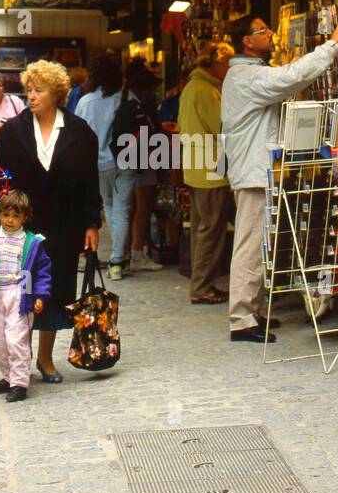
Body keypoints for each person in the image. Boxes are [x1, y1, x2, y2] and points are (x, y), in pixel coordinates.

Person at [222, 14, 338, 342]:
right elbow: (291, 77)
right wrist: (330, 47)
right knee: (250, 245)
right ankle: (241, 319)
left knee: (260, 244)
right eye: (263, 31)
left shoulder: (250, 74)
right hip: (253, 172)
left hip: (257, 168)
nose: (270, 34)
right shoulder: (247, 77)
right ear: (247, 42)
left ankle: (253, 311)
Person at [0, 60, 101, 382]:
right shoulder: (13, 130)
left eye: (39, 90)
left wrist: (91, 223)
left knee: (54, 291)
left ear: (57, 93)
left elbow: (89, 182)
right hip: (21, 227)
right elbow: (0, 182)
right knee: (19, 294)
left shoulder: (80, 132)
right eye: (29, 89)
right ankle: (16, 364)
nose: (32, 96)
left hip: (64, 226)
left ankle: (45, 359)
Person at [0, 189, 53, 402]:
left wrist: (39, 296)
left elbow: (41, 271)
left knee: (16, 340)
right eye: (6, 215)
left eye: (15, 216)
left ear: (25, 217)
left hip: (19, 294)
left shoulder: (32, 242)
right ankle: (8, 376)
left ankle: (20, 383)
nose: (10, 220)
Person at [178, 42, 233, 306]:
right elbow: (222, 126)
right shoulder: (206, 90)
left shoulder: (191, 87)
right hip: (211, 168)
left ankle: (201, 283)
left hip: (196, 167)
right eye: (228, 64)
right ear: (217, 63)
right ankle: (202, 287)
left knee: (203, 229)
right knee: (211, 230)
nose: (230, 69)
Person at [76, 55, 131, 280]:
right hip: (124, 160)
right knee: (122, 210)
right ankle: (117, 260)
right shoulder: (122, 99)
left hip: (97, 163)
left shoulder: (85, 102)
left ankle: (116, 260)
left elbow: (77, 133)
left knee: (108, 206)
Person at [111, 58, 167, 274]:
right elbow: (157, 129)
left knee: (127, 208)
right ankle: (136, 253)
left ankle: (125, 252)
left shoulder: (122, 97)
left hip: (123, 157)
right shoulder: (145, 101)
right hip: (144, 157)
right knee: (142, 207)